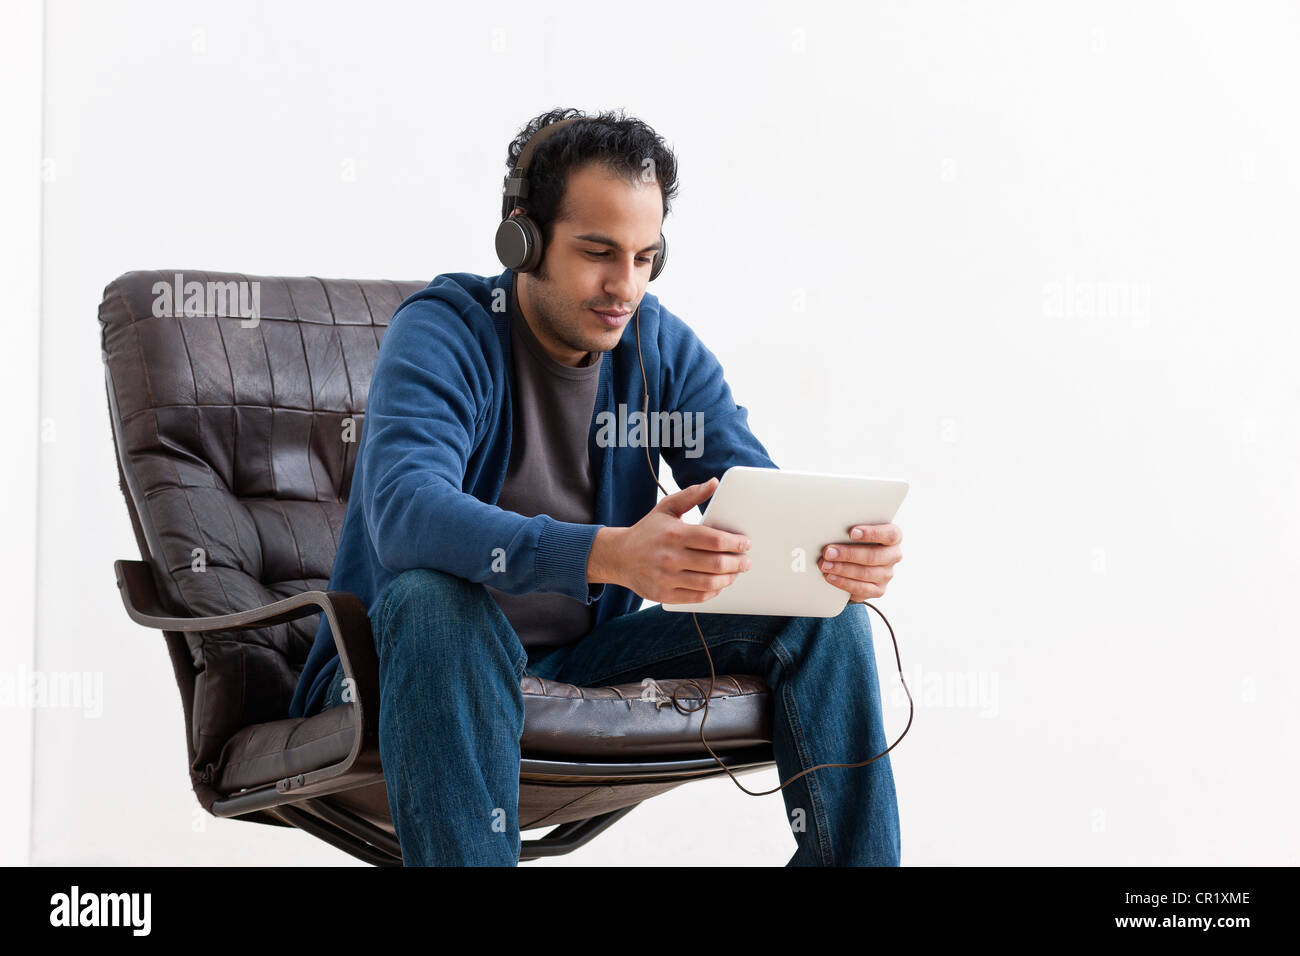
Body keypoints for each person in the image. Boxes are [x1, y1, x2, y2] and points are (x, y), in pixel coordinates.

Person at [287, 108, 904, 866]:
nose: (625, 286)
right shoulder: (447, 331)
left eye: (647, 257)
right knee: (434, 596)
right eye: (598, 252)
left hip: (572, 669)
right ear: (523, 236)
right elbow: (406, 514)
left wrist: (825, 557)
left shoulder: (656, 346)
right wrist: (607, 554)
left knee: (826, 618)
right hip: (398, 673)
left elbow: (756, 500)